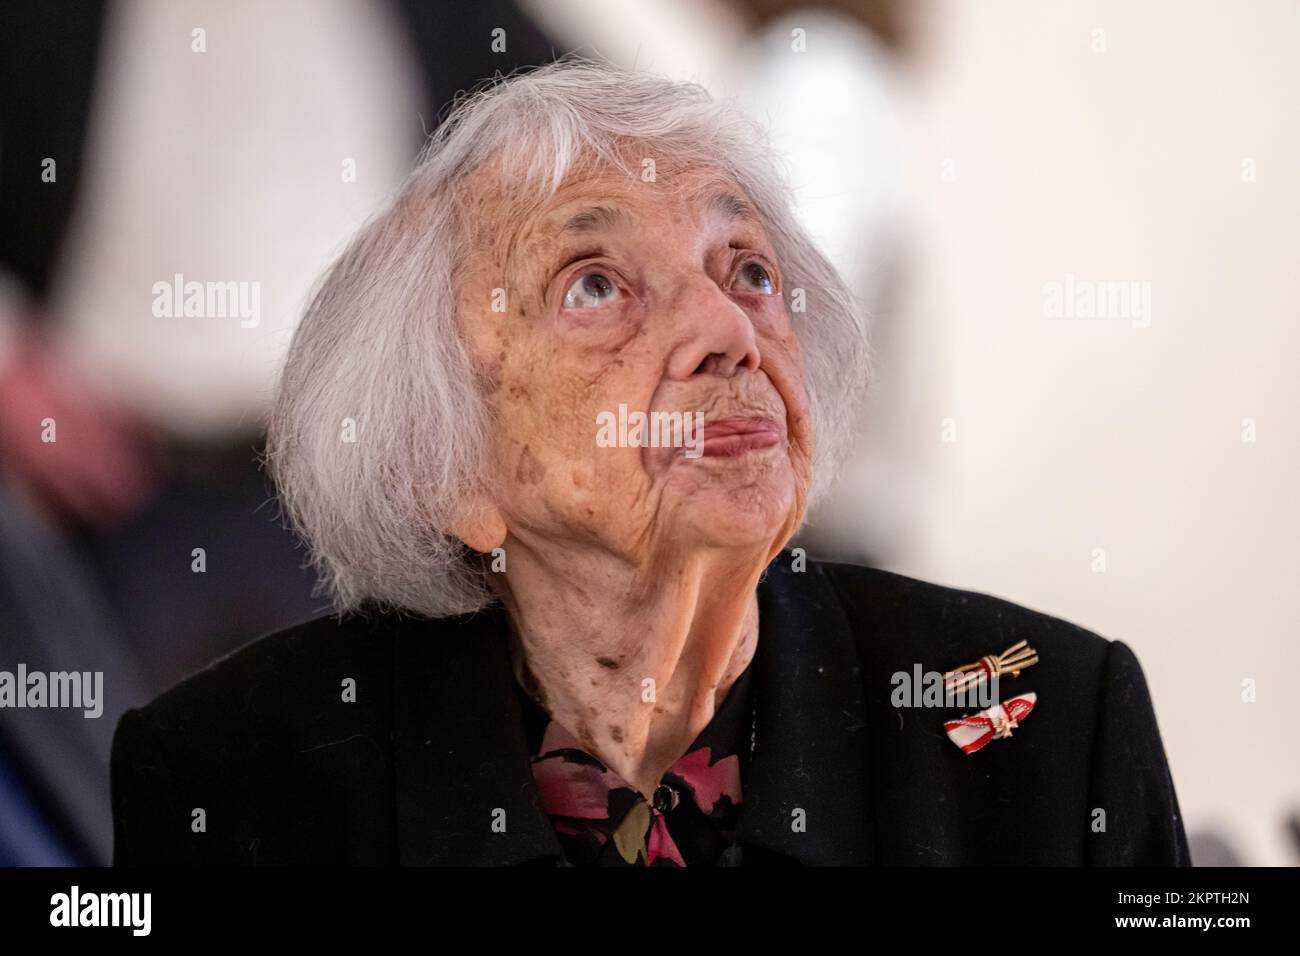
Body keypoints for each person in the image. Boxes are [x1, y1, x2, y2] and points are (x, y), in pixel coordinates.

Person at [110, 58, 1189, 866]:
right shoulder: (237, 778)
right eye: (596, 285)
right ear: (445, 469)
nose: (728, 328)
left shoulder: (1044, 722)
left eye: (749, 268)